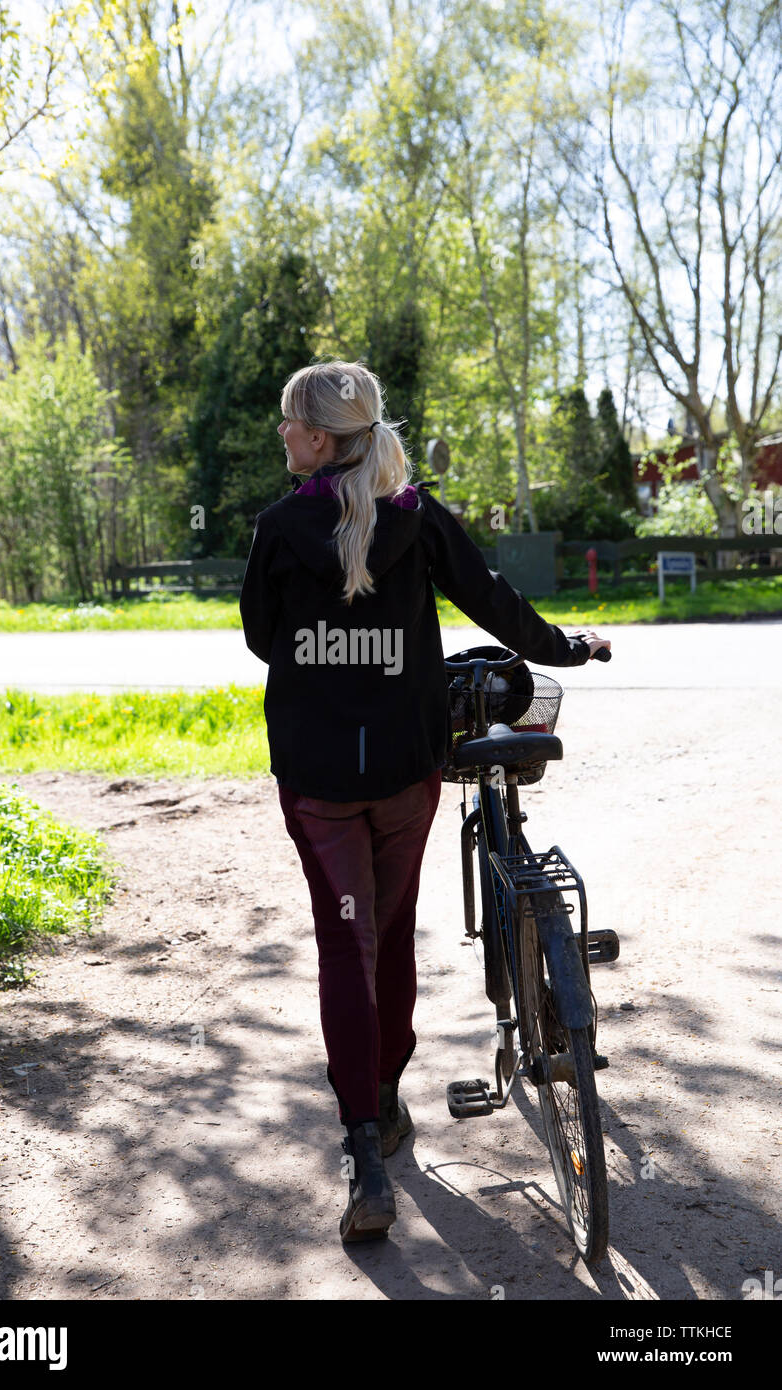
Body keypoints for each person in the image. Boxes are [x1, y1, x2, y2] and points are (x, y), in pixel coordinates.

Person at [239, 358, 610, 1243]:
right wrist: (567, 648)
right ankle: (389, 1095)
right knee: (392, 932)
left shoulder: (279, 526)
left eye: (290, 423)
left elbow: (262, 640)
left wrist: (323, 644)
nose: (282, 435)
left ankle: (366, 1152)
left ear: (320, 439)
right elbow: (492, 602)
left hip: (319, 781)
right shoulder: (416, 515)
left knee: (345, 942)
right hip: (405, 770)